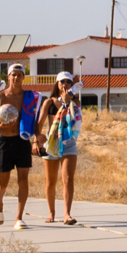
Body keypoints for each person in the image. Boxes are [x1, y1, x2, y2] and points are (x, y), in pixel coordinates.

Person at [0, 64, 39, 229]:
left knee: (23, 180)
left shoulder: (29, 97)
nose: (16, 78)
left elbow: (35, 119)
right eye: (13, 75)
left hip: (22, 141)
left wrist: (37, 138)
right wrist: (0, 126)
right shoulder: (0, 97)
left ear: (23, 77)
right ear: (8, 77)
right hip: (4, 142)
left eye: (19, 75)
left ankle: (19, 218)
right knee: (3, 184)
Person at [37, 71, 82, 225]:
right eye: (62, 81)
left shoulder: (75, 103)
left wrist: (68, 101)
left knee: (68, 179)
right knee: (51, 181)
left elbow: (75, 119)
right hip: (52, 143)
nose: (65, 84)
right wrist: (37, 140)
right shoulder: (49, 102)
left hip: (69, 143)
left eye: (68, 82)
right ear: (57, 84)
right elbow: (40, 123)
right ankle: (51, 212)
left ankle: (67, 214)